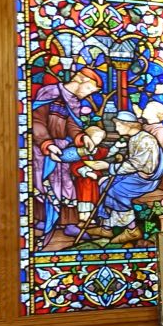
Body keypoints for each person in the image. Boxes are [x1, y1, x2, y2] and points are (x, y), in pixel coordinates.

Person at [31, 66, 103, 241]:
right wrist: (46, 144)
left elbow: (72, 124)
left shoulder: (74, 101)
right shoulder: (49, 93)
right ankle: (42, 219)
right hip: (43, 147)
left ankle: (69, 223)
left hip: (63, 147)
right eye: (88, 89)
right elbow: (36, 121)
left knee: (66, 185)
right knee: (43, 182)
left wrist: (80, 137)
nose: (88, 95)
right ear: (79, 79)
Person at [95, 111, 163, 243]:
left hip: (146, 179)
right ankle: (106, 227)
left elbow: (137, 164)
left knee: (115, 191)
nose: (116, 128)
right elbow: (134, 161)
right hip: (136, 175)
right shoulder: (134, 138)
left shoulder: (146, 140)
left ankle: (132, 230)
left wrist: (108, 167)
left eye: (118, 125)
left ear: (128, 125)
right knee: (104, 184)